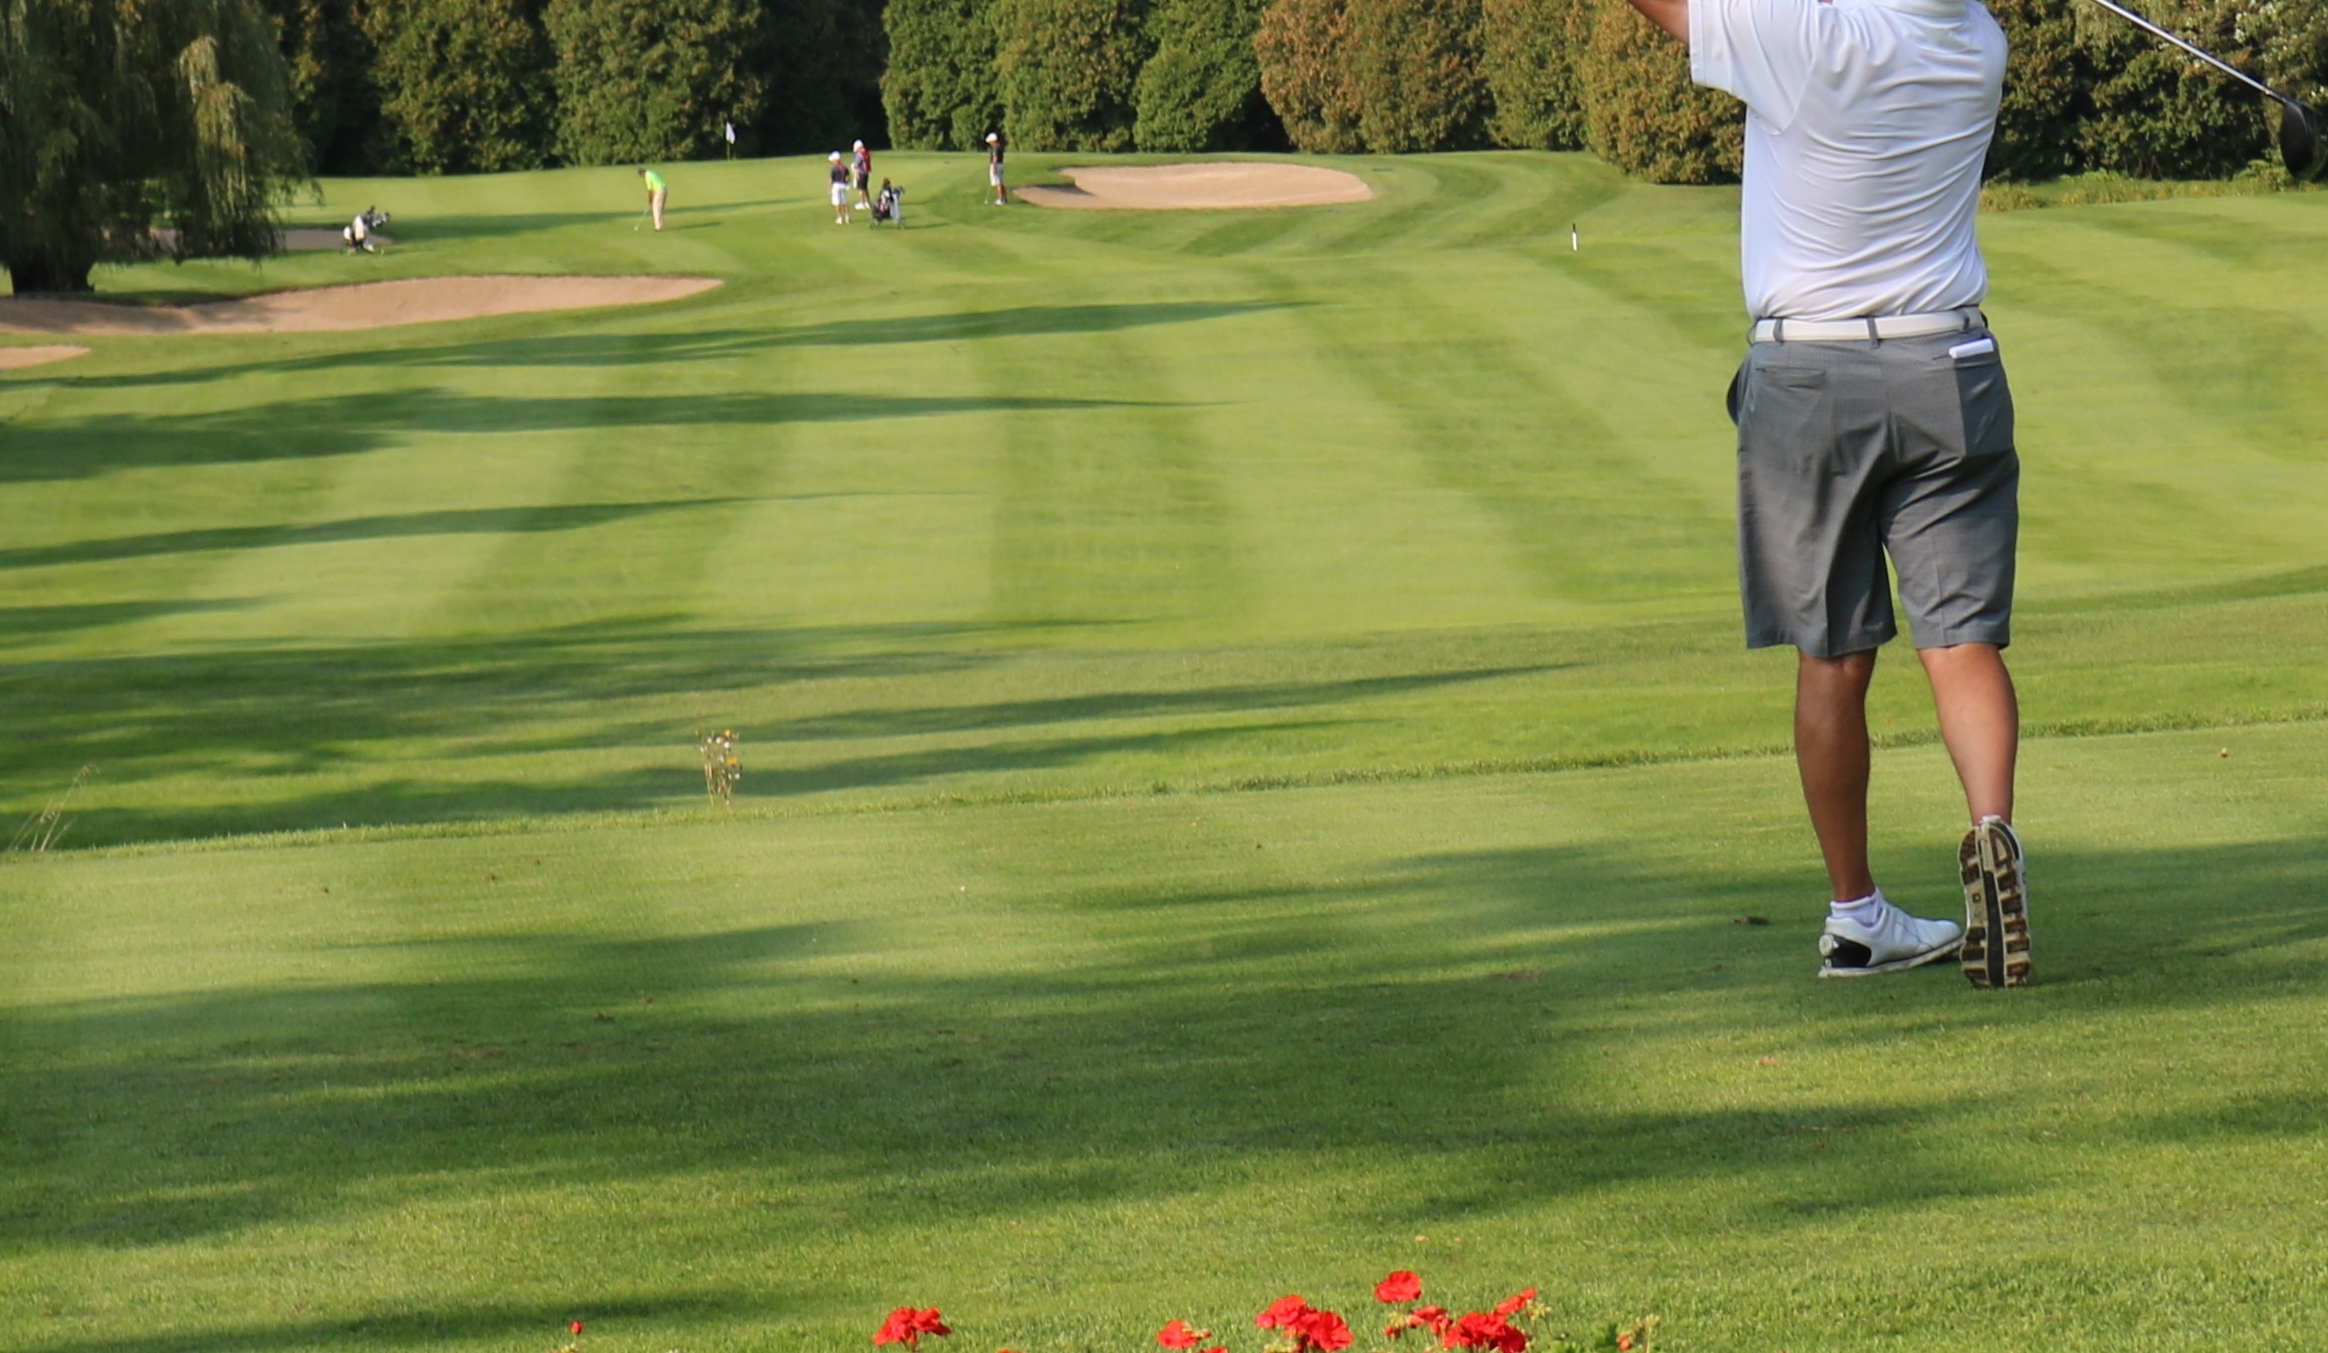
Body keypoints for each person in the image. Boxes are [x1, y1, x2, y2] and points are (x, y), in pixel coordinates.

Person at [1622, 0, 2031, 986]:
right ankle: (1991, 829)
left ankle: (1857, 917)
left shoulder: (1804, 36)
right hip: (1951, 362)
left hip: (1810, 378)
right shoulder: (1977, 45)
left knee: (1834, 657)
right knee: (1960, 639)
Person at [828, 151, 852, 224]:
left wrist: (829, 188)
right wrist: (847, 184)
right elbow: (848, 178)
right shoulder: (844, 167)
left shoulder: (834, 168)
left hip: (836, 186)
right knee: (845, 201)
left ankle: (840, 218)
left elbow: (831, 180)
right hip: (844, 185)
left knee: (837, 202)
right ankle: (847, 217)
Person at [985, 131, 1007, 205]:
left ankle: (1001, 199)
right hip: (1001, 165)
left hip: (996, 165)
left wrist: (994, 167)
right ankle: (1004, 198)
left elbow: (995, 158)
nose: (989, 143)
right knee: (1001, 182)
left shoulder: (995, 148)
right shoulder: (999, 146)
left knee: (997, 183)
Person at [852, 140, 874, 211]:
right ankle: (868, 202)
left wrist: (853, 166)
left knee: (861, 189)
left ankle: (862, 203)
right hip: (866, 173)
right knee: (865, 188)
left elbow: (857, 164)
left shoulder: (859, 155)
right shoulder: (866, 153)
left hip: (861, 173)